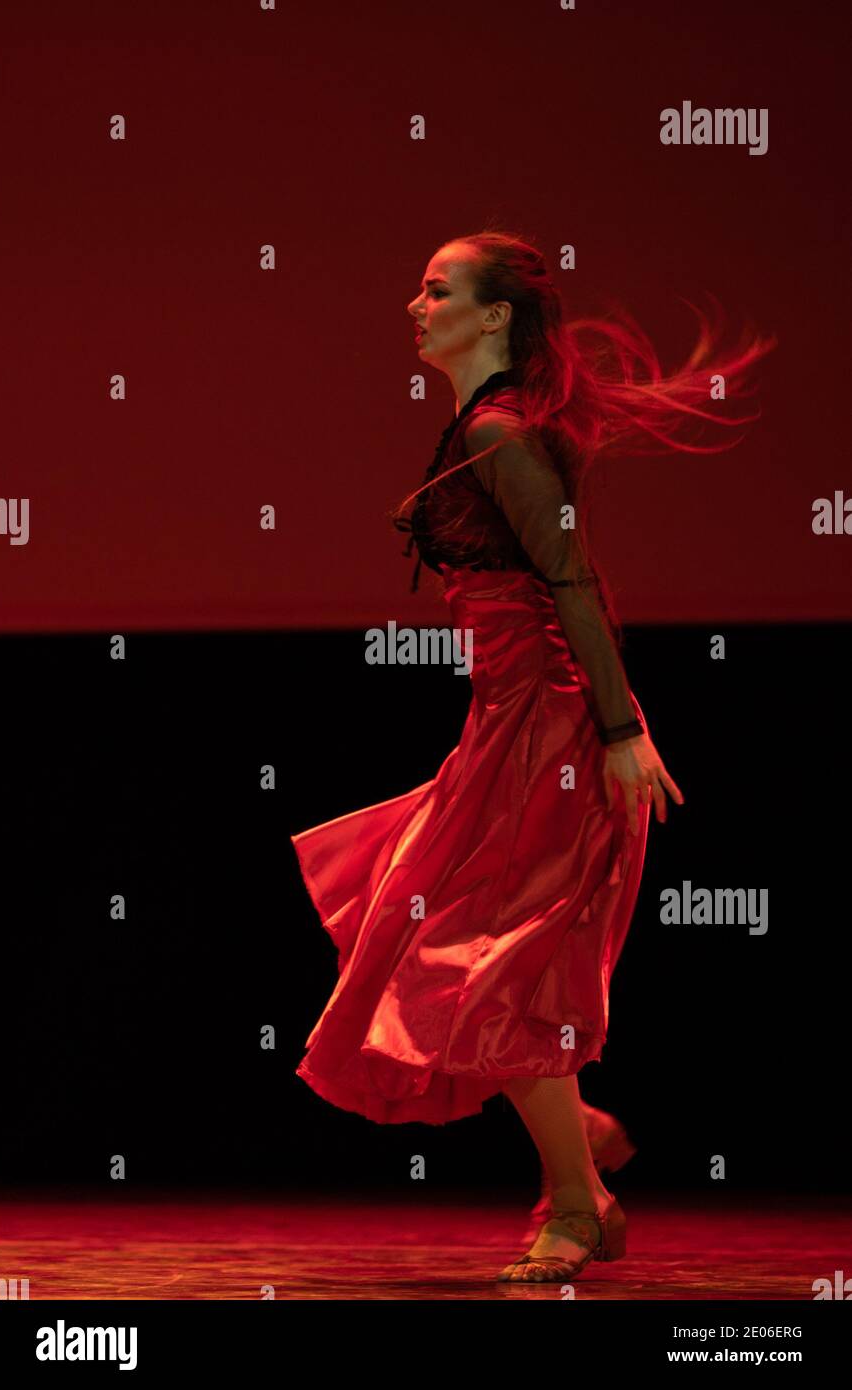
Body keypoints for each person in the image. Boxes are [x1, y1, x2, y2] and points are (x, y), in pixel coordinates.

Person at [290, 231, 774, 1283]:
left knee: (487, 963)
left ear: (494, 315)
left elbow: (572, 585)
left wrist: (613, 732)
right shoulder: (478, 427)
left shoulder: (505, 434)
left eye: (435, 288)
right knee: (420, 930)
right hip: (505, 723)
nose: (412, 304)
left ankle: (574, 1202)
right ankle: (574, 1134)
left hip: (549, 727)